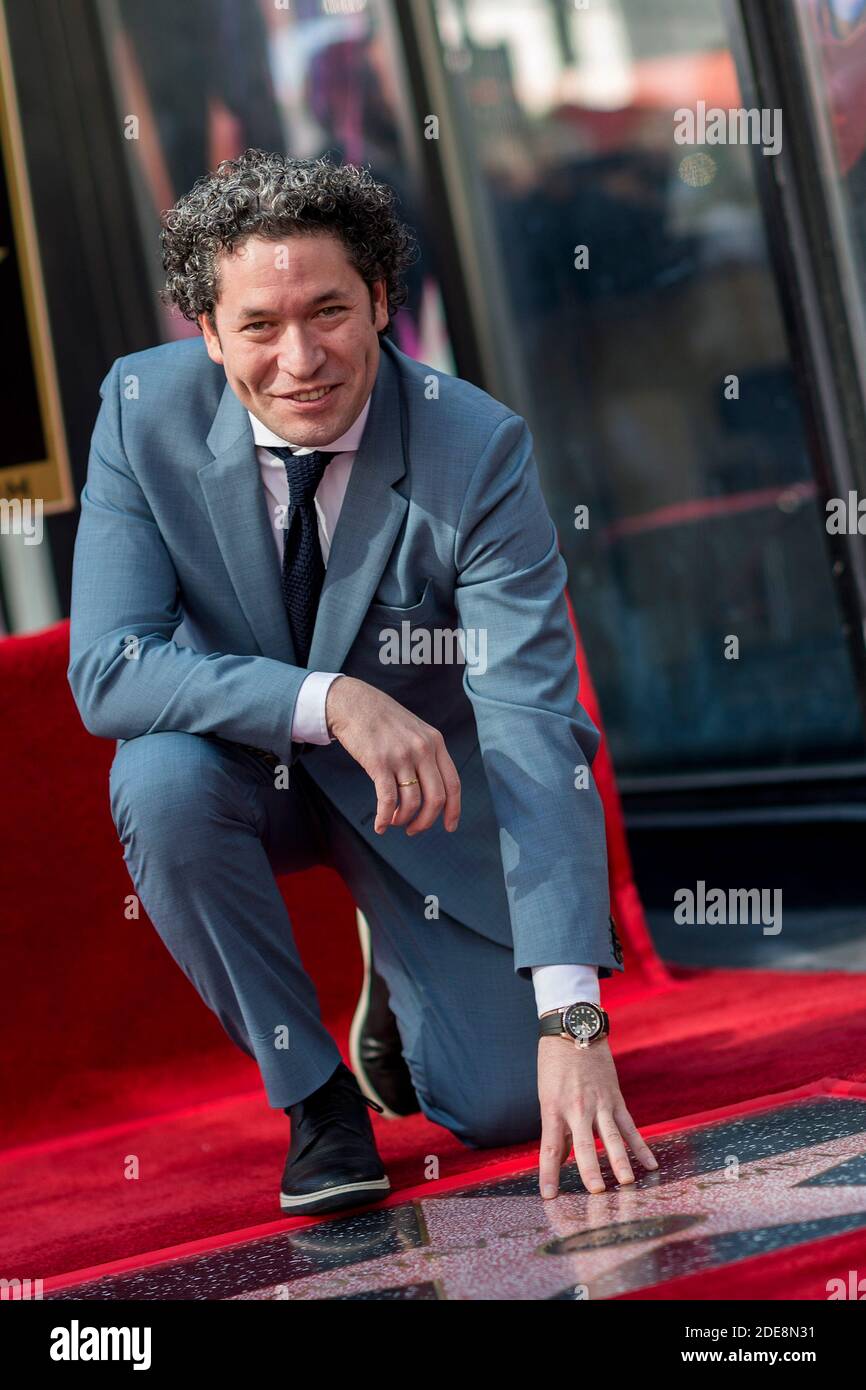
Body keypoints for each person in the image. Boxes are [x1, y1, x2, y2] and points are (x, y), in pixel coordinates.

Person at [67, 148, 657, 1217]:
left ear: (382, 300)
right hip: (241, 775)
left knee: (508, 1108)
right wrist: (325, 698)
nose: (300, 357)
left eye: (329, 311)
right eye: (258, 325)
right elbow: (109, 670)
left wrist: (573, 1019)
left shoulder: (475, 448)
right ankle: (316, 1096)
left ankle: (400, 968)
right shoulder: (137, 411)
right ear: (205, 332)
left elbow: (532, 721)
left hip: (420, 796)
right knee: (154, 779)